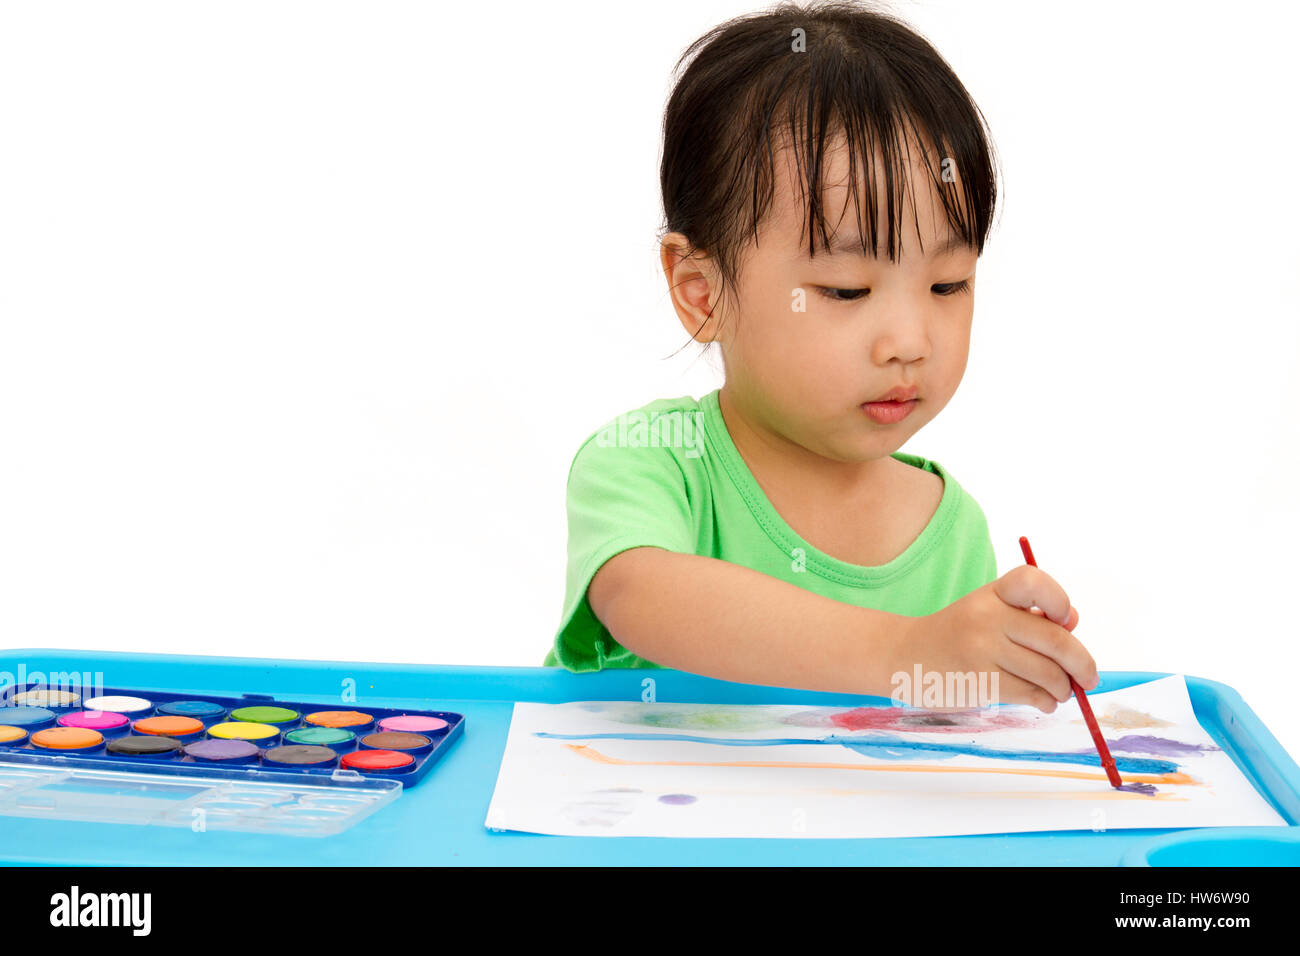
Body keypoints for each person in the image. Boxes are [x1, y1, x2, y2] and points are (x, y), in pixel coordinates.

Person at [544, 1, 1096, 712]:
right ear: (701, 292)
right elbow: (642, 593)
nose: (909, 341)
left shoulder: (954, 531)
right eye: (845, 289)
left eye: (948, 282)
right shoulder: (651, 459)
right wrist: (907, 653)